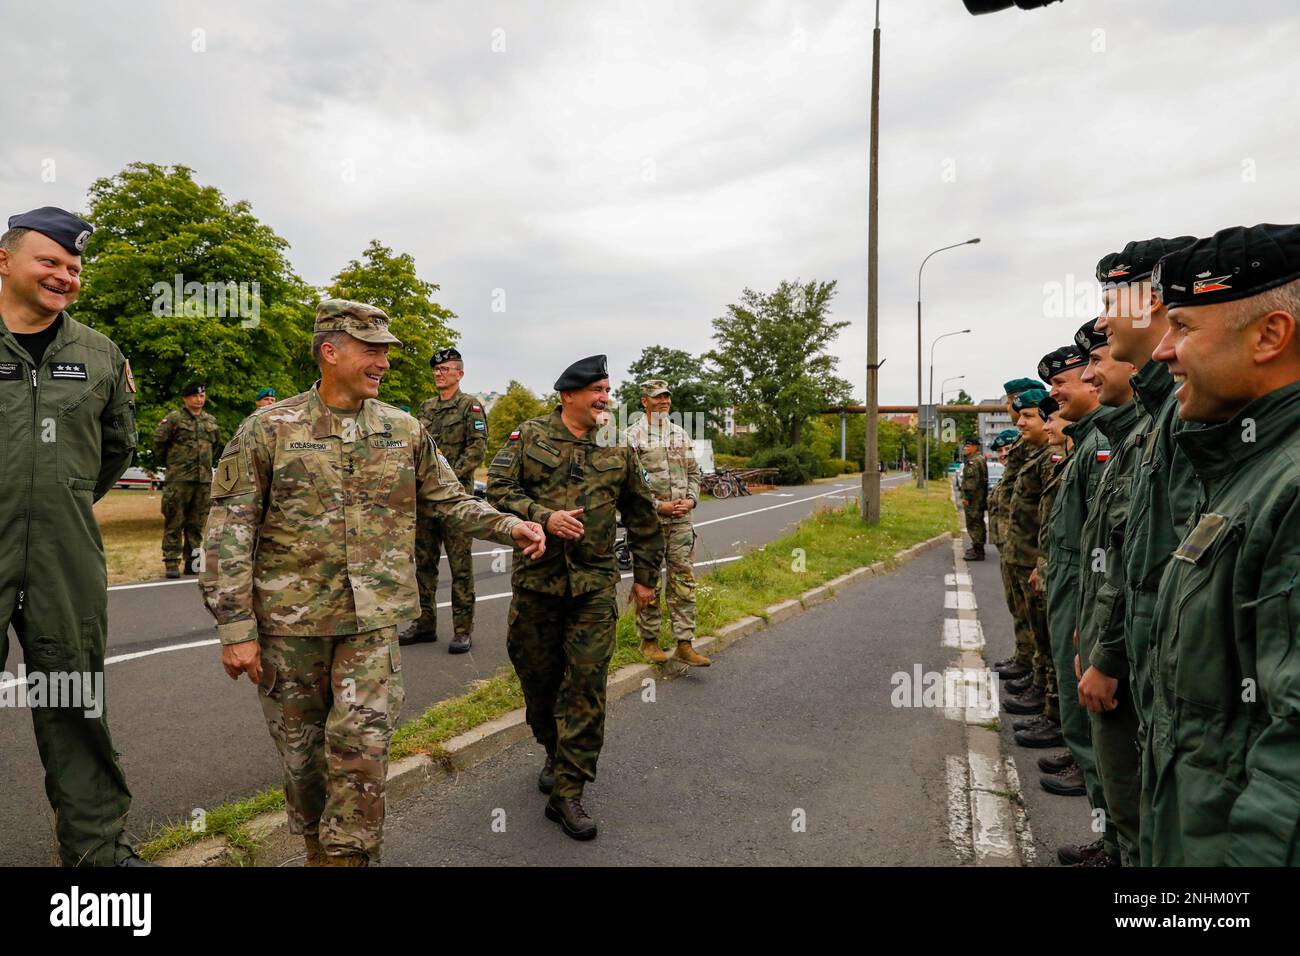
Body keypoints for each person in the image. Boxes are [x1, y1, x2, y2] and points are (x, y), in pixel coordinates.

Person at [200, 299, 544, 866]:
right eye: (371, 349)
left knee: (362, 751)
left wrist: (512, 526)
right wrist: (235, 627)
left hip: (373, 624)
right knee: (303, 757)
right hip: (291, 628)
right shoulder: (269, 429)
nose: (383, 361)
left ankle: (349, 859)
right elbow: (229, 532)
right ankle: (315, 847)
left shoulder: (403, 429)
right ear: (330, 352)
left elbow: (451, 502)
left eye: (387, 350)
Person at [1142, 224, 1300, 866]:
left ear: (1270, 335)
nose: (1163, 352)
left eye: (1181, 327)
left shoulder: (1288, 486)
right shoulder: (1243, 468)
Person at [0, 206, 150, 866]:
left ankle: (97, 858)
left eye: (73, 266)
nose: (64, 275)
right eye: (49, 261)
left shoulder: (99, 356)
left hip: (66, 558)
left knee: (73, 706)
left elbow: (117, 447)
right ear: (5, 260)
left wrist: (59, 501)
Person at [487, 354, 664, 840]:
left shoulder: (619, 448)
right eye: (598, 390)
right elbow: (497, 489)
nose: (606, 398)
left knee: (586, 686)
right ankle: (552, 748)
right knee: (538, 682)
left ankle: (569, 791)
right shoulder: (530, 436)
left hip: (593, 586)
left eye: (608, 389)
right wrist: (541, 515)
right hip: (537, 585)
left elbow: (644, 516)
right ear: (569, 395)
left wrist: (646, 578)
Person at [1033, 333, 1115, 865]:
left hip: (1088, 589)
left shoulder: (1101, 445)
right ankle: (1113, 837)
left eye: (1060, 382)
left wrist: (1096, 623)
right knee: (1075, 694)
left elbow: (1108, 540)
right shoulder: (1091, 442)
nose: (1068, 389)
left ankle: (1115, 844)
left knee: (1103, 729)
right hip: (1074, 583)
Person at [402, 347, 489, 652]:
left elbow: (477, 449)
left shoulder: (471, 407)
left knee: (461, 567)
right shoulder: (425, 408)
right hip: (425, 500)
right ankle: (424, 624)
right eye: (436, 370)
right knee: (424, 566)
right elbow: (416, 448)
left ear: (459, 374)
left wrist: (447, 476)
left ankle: (463, 630)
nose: (438, 373)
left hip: (455, 499)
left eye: (445, 369)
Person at [623, 379, 710, 665]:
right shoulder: (632, 437)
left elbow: (695, 473)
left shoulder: (681, 435)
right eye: (657, 397)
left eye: (667, 397)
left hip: (682, 521)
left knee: (683, 580)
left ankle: (684, 643)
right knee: (649, 582)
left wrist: (692, 500)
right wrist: (659, 505)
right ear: (644, 402)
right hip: (650, 522)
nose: (664, 402)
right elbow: (629, 484)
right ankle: (649, 640)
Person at [1000, 387, 1055, 721]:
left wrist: (1041, 560)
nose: (1020, 422)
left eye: (1028, 415)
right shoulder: (1032, 453)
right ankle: (1031, 671)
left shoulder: (1050, 457)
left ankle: (1044, 691)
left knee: (1043, 631)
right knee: (1027, 618)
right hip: (1020, 551)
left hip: (1034, 556)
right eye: (1016, 414)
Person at [989, 380, 1046, 684]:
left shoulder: (1042, 450)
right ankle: (1025, 658)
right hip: (1015, 545)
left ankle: (1035, 675)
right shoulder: (1026, 445)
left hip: (1030, 552)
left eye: (1016, 402)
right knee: (1020, 610)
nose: (1013, 410)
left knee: (1036, 619)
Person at [153, 382, 221, 577]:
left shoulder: (210, 420)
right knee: (174, 521)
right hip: (179, 480)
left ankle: (193, 562)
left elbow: (214, 446)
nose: (199, 399)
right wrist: (175, 464)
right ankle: (172, 562)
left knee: (197, 524)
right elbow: (159, 444)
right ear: (185, 398)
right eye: (195, 396)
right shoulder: (174, 419)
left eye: (202, 396)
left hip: (203, 481)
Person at [958, 436, 988, 561]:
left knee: (974, 523)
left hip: (974, 498)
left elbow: (971, 482)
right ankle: (977, 547)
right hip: (979, 497)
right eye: (965, 446)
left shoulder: (973, 462)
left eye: (968, 446)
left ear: (975, 447)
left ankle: (978, 550)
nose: (965, 448)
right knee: (978, 522)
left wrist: (966, 497)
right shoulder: (980, 459)